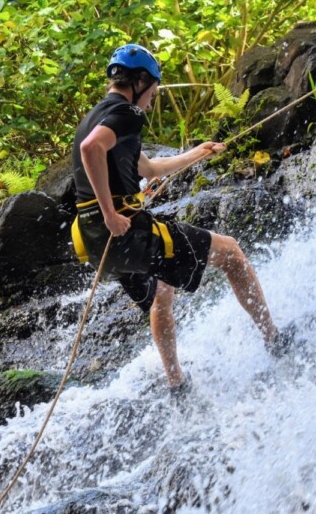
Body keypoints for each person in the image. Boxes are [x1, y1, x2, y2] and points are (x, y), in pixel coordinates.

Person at [70, 43, 287, 391]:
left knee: (162, 289)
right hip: (122, 230)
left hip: (98, 244)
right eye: (152, 92)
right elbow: (90, 149)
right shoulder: (128, 113)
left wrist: (197, 154)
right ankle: (275, 341)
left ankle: (176, 383)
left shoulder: (95, 117)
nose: (152, 101)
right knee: (231, 253)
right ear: (140, 82)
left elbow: (149, 168)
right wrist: (111, 214)